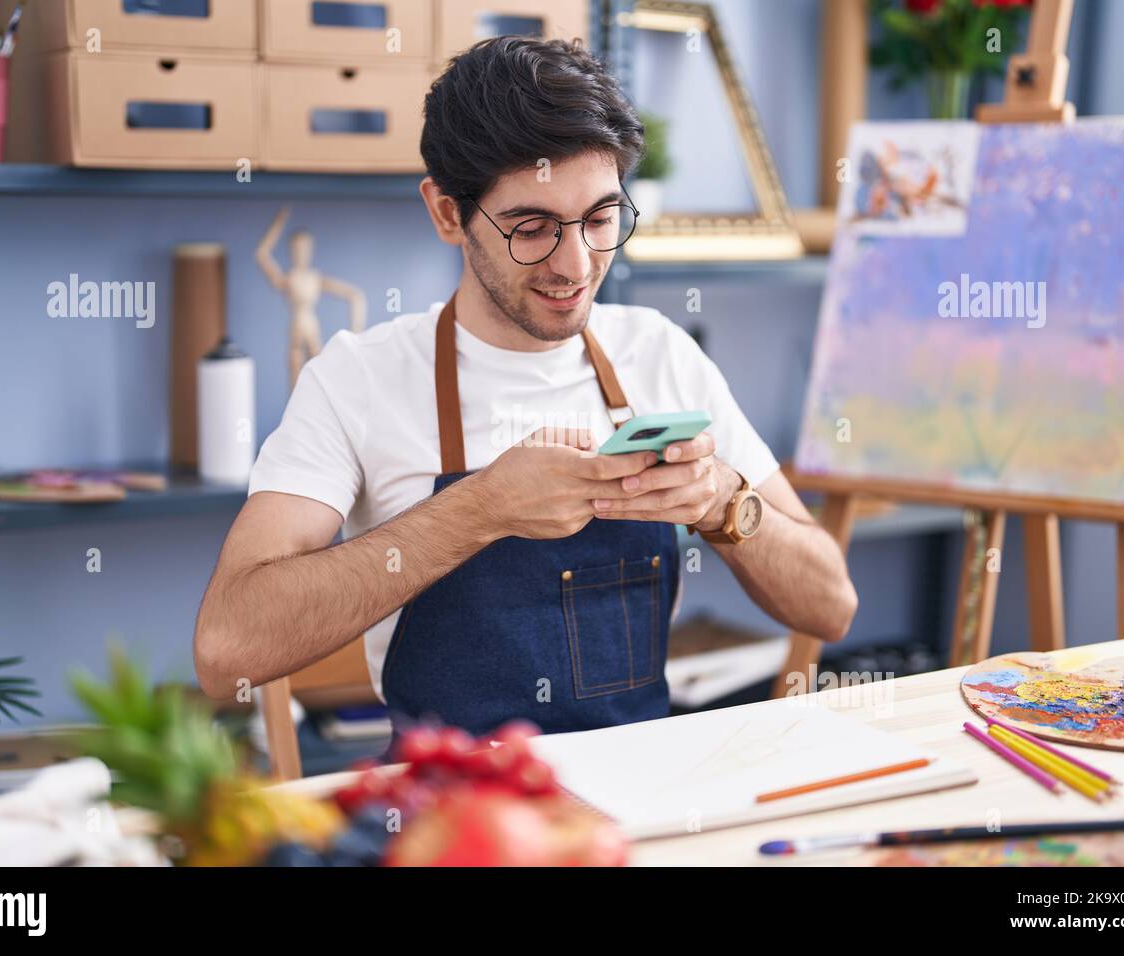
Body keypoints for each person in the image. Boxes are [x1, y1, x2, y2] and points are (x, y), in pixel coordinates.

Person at [195, 36, 857, 745]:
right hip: (453, 817)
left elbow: (831, 605)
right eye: (532, 228)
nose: (575, 265)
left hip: (637, 804)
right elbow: (227, 648)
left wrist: (726, 503)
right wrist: (480, 510)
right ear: (448, 213)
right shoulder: (358, 378)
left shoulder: (659, 354)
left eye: (601, 220)